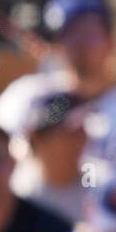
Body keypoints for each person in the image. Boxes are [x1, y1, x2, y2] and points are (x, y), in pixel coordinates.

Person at [0, 0, 116, 192]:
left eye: (89, 33)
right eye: (69, 33)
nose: (79, 44)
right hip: (35, 216)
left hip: (104, 220)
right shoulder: (25, 97)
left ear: (111, 40)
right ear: (53, 44)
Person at [12, 89, 90, 224]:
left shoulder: (103, 191)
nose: (82, 139)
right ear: (36, 137)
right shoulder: (16, 197)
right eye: (70, 131)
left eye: (82, 129)